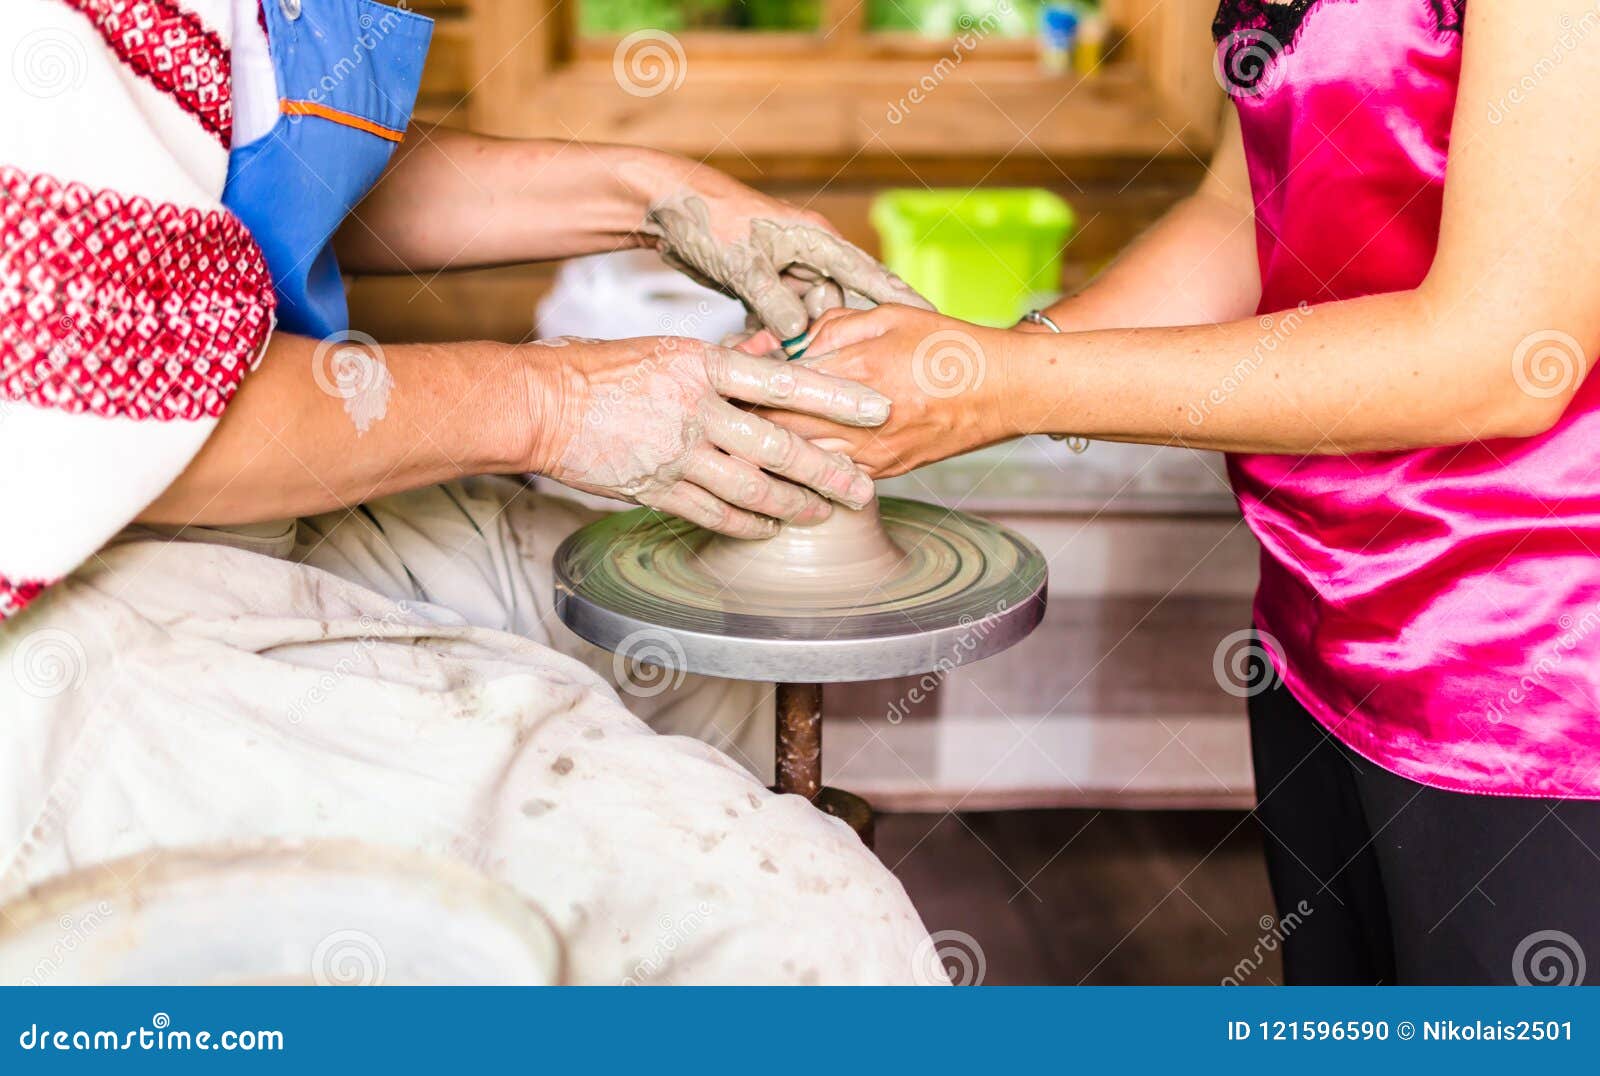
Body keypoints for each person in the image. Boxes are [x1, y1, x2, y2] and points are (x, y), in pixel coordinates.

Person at [0, 0, 941, 984]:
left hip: (227, 499)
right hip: (61, 593)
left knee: (696, 648)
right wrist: (556, 401)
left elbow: (257, 163)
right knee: (811, 922)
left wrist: (657, 196)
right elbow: (115, 406)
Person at [768, 0, 1600, 984]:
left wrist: (1001, 387)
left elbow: (1504, 356)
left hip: (1534, 672)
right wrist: (977, 364)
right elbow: (1244, 209)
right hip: (1318, 613)